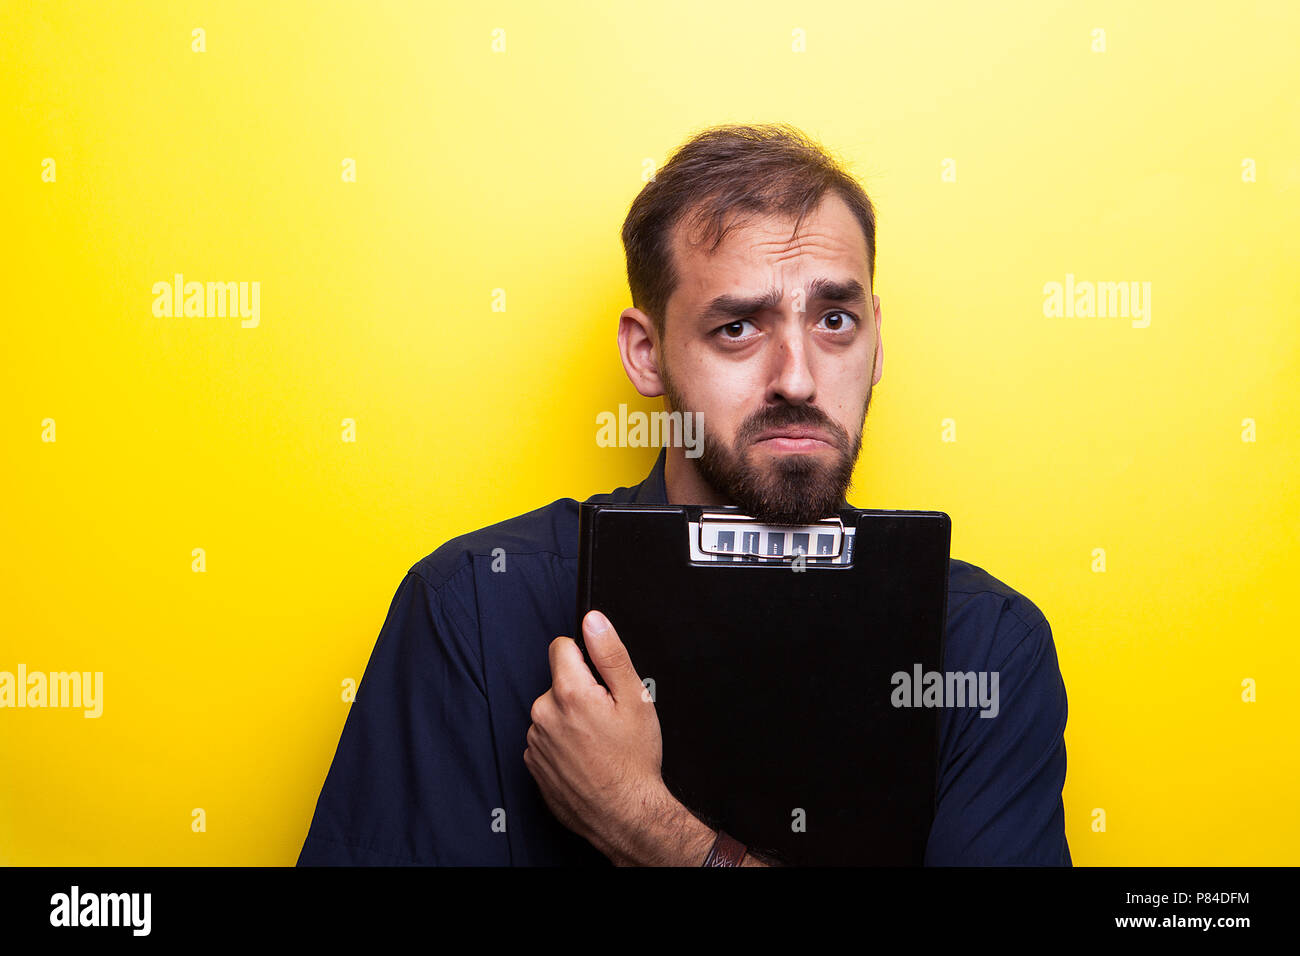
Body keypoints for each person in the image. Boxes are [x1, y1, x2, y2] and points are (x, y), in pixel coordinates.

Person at [297, 123, 1071, 866]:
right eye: (738, 328)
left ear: (876, 343)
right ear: (647, 353)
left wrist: (652, 830)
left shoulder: (987, 647)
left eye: (836, 320)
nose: (797, 378)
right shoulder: (472, 607)